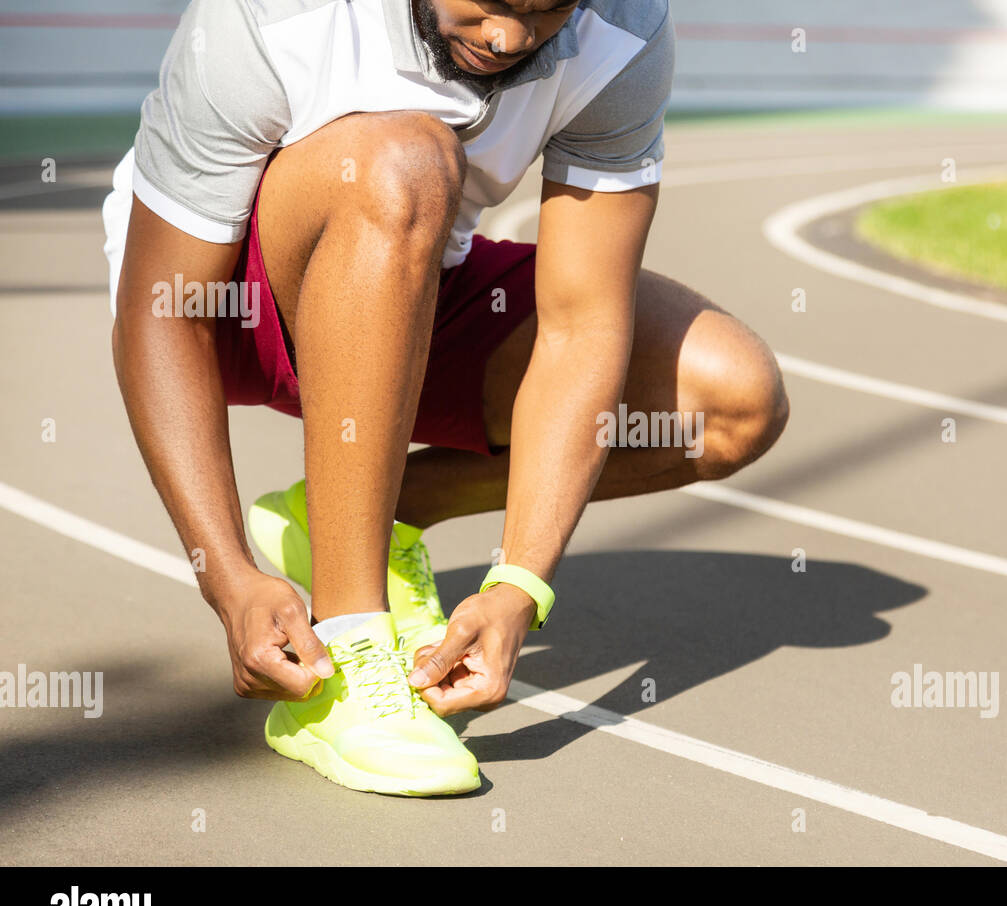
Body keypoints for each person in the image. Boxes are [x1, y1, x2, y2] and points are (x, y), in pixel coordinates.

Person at [104, 0, 789, 795]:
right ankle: (347, 658)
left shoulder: (625, 27)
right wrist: (226, 575)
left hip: (412, 285)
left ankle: (361, 515)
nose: (510, 37)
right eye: (494, 1)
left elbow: (582, 326)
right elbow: (163, 312)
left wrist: (521, 583)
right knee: (404, 158)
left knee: (728, 398)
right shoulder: (270, 14)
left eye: (547, 11)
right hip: (227, 309)